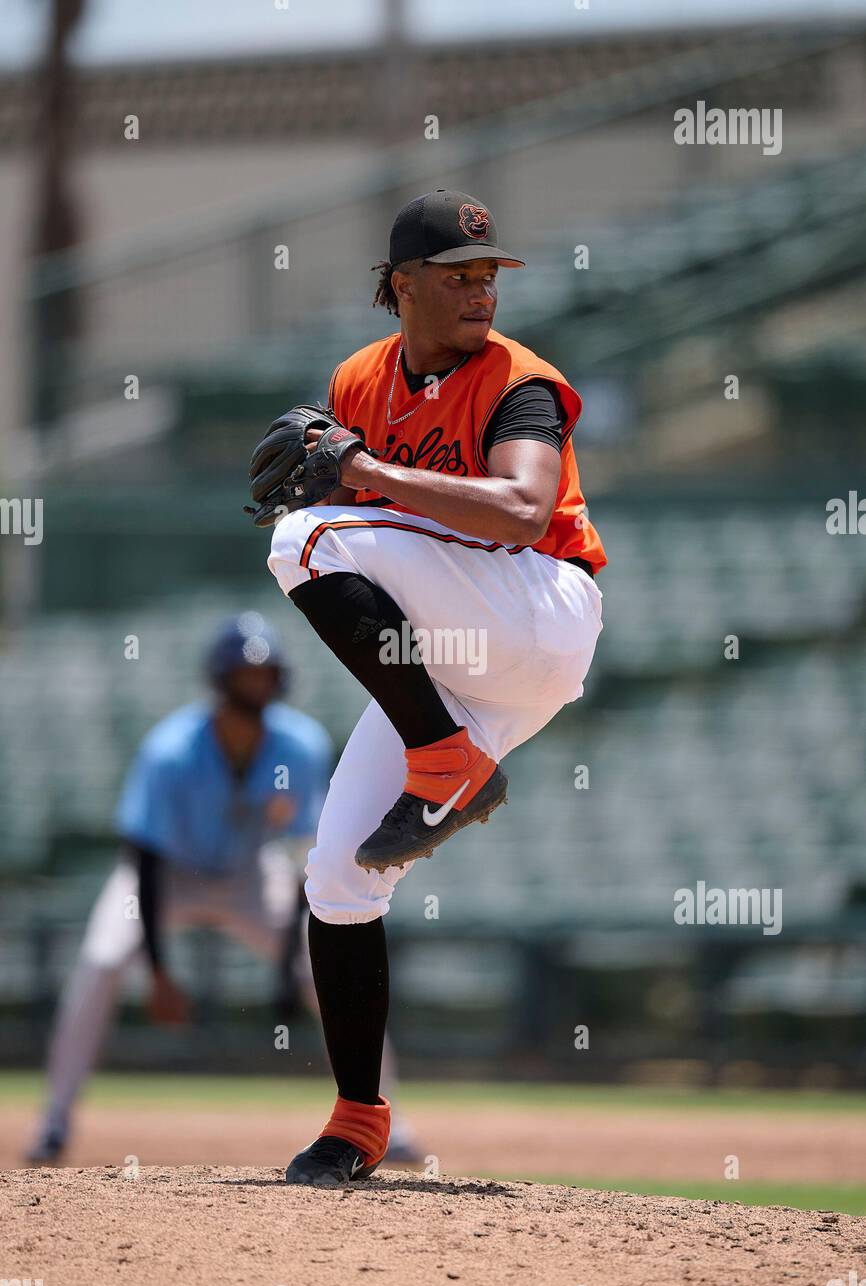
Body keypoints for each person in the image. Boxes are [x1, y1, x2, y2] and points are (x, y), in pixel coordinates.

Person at [258, 188, 607, 1187]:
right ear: (400, 285)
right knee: (335, 880)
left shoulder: (516, 381)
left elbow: (520, 509)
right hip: (456, 657)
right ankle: (359, 1118)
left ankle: (445, 760)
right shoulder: (356, 380)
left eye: (489, 273)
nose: (480, 291)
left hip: (538, 609)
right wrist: (330, 476)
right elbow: (358, 528)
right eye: (458, 274)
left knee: (305, 540)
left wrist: (352, 474)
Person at [25, 612, 417, 1166]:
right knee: (101, 960)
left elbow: (305, 858)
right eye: (244, 674)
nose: (256, 683)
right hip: (166, 877)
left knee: (328, 966)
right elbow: (145, 859)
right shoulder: (171, 749)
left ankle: (387, 1121)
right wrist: (159, 974)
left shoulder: (298, 744)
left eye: (264, 674)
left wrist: (285, 962)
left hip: (247, 876)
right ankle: (54, 1123)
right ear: (220, 679)